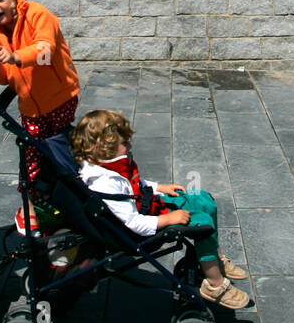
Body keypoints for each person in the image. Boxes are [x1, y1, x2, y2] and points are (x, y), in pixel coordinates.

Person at [69, 109, 250, 309]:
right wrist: (169, 219)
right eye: (124, 143)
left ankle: (213, 257)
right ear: (103, 148)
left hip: (148, 203)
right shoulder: (103, 182)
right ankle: (215, 285)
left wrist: (158, 187)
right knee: (203, 223)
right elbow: (133, 222)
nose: (129, 146)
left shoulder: (113, 164)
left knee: (204, 200)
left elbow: (134, 183)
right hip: (146, 223)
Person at [0, 0, 79, 232]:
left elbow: (44, 51)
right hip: (30, 106)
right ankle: (31, 204)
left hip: (61, 96)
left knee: (60, 149)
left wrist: (15, 55)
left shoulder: (39, 15)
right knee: (32, 154)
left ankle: (70, 194)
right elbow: (5, 77)